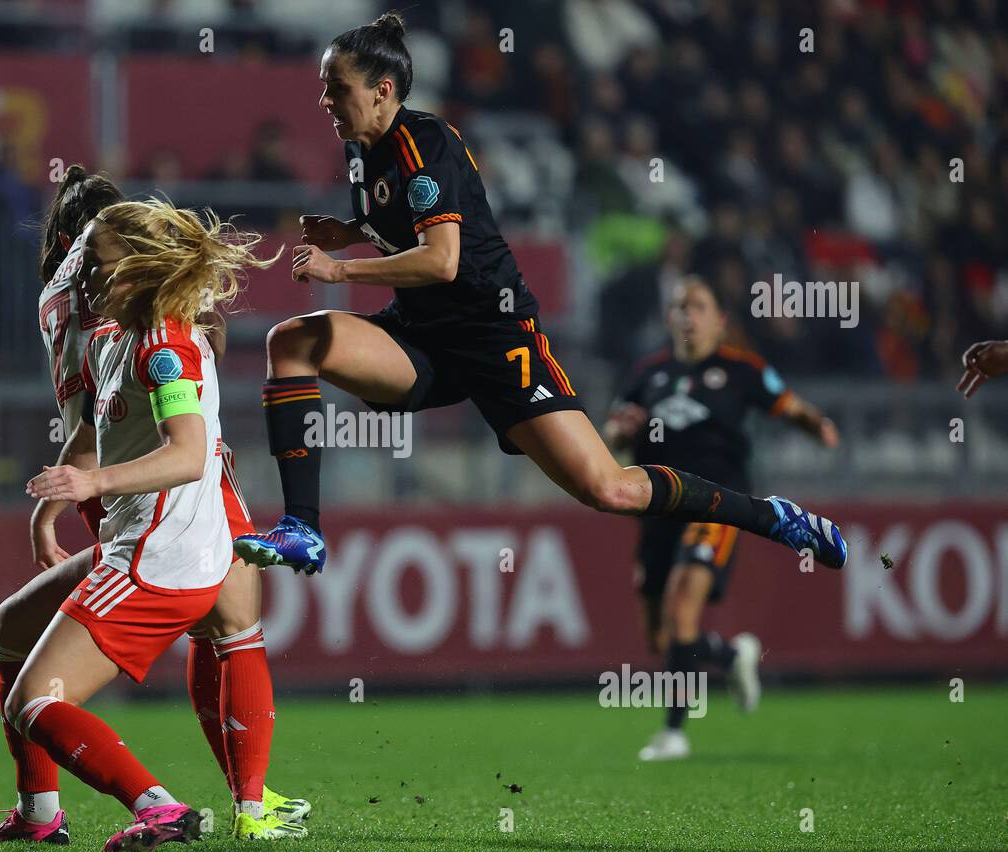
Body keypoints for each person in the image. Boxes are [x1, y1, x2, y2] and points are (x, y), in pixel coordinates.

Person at [232, 12, 848, 582]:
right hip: (423, 336)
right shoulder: (361, 151)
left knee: (610, 490)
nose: (325, 101)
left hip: (497, 340)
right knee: (292, 341)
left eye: (336, 88)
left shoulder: (428, 143)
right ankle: (304, 528)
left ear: (383, 90)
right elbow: (403, 228)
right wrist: (351, 231)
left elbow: (444, 261)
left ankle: (768, 516)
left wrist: (341, 272)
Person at [0, 195, 301, 852]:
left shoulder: (164, 349)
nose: (83, 279)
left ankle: (160, 808)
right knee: (11, 624)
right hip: (144, 543)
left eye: (97, 266)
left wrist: (92, 485)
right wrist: (51, 511)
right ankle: (40, 815)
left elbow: (186, 454)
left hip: (161, 556)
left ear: (141, 270)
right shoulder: (113, 338)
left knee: (36, 702)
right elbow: (96, 432)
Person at [605, 276, 839, 761]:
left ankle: (673, 732)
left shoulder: (741, 370)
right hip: (656, 510)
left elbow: (789, 406)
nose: (687, 314)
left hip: (715, 504)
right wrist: (617, 432)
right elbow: (615, 436)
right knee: (661, 636)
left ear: (720, 319)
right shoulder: (647, 373)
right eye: (679, 306)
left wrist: (817, 425)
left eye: (698, 304)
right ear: (668, 317)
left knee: (681, 604)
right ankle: (733, 656)